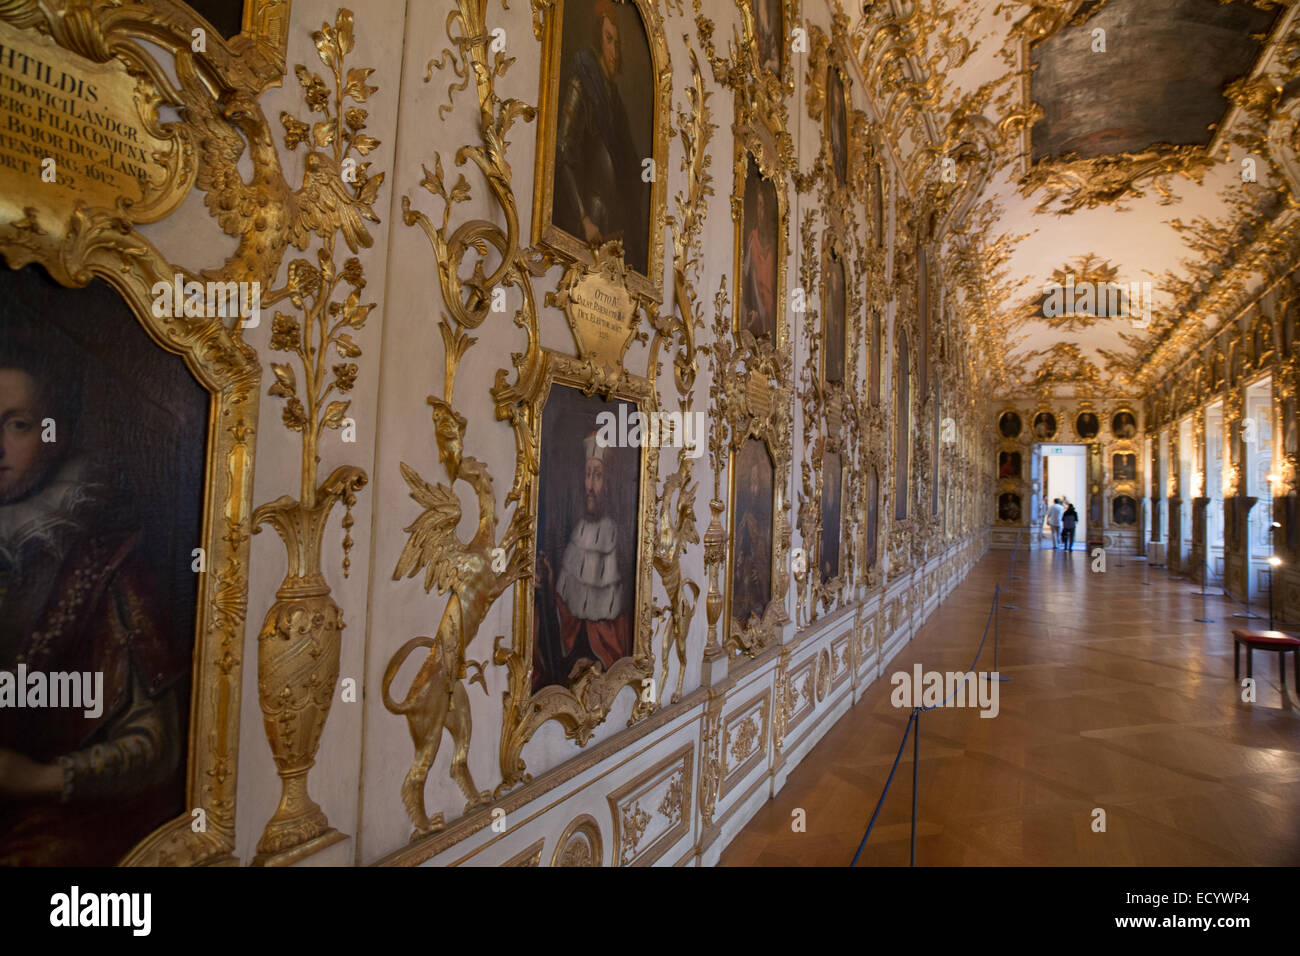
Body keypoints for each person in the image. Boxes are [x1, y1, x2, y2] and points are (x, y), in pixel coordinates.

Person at [0, 351, 185, 865]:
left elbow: (157, 746)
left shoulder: (109, 564)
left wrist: (35, 779)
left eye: (17, 424)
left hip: (51, 821)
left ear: (55, 434)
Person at [553, 0, 648, 275]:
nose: (614, 51)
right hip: (587, 220)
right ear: (598, 37)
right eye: (609, 39)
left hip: (612, 226)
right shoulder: (582, 79)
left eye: (617, 43)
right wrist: (583, 218)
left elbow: (630, 165)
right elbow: (563, 149)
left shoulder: (614, 101)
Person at [533, 432, 631, 691]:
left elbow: (615, 632)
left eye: (597, 475)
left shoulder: (618, 540)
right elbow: (568, 618)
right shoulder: (578, 532)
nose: (589, 485)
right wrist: (550, 582)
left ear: (609, 481)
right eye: (587, 474)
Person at [742, 177, 777, 341]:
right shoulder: (752, 239)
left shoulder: (774, 248)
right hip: (757, 320)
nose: (760, 212)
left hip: (770, 319)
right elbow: (744, 278)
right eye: (758, 206)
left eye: (763, 206)